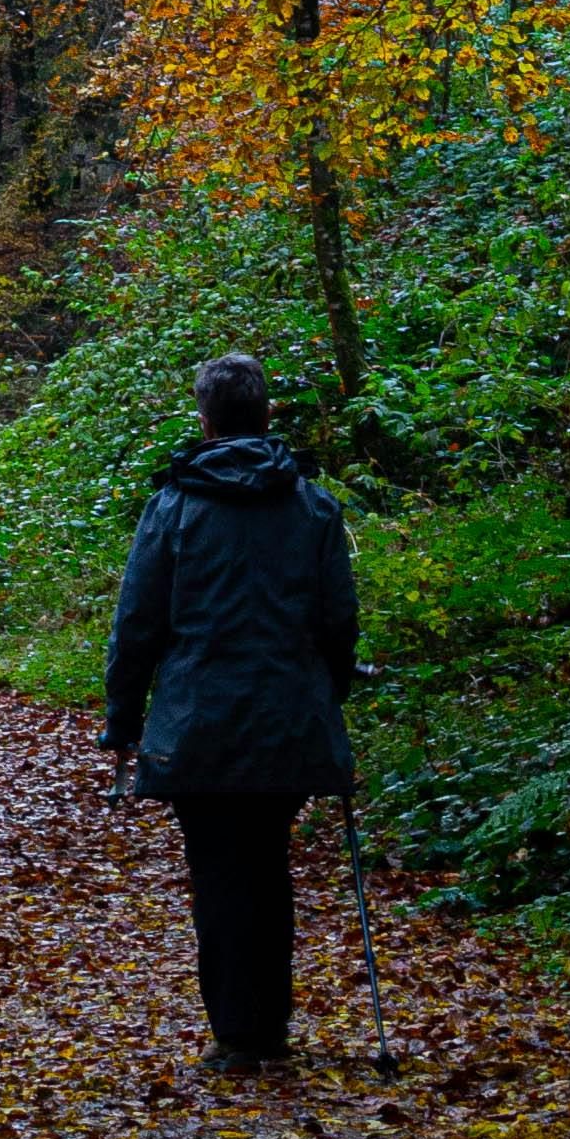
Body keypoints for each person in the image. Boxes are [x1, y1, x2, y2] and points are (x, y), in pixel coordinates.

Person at [102, 348, 359, 1073]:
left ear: (205, 417)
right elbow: (340, 619)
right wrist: (327, 697)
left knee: (218, 871)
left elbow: (138, 624)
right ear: (267, 413)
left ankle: (237, 1035)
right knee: (268, 866)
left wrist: (122, 722)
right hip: (287, 720)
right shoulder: (311, 503)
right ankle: (267, 1028)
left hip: (198, 726)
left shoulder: (175, 505)